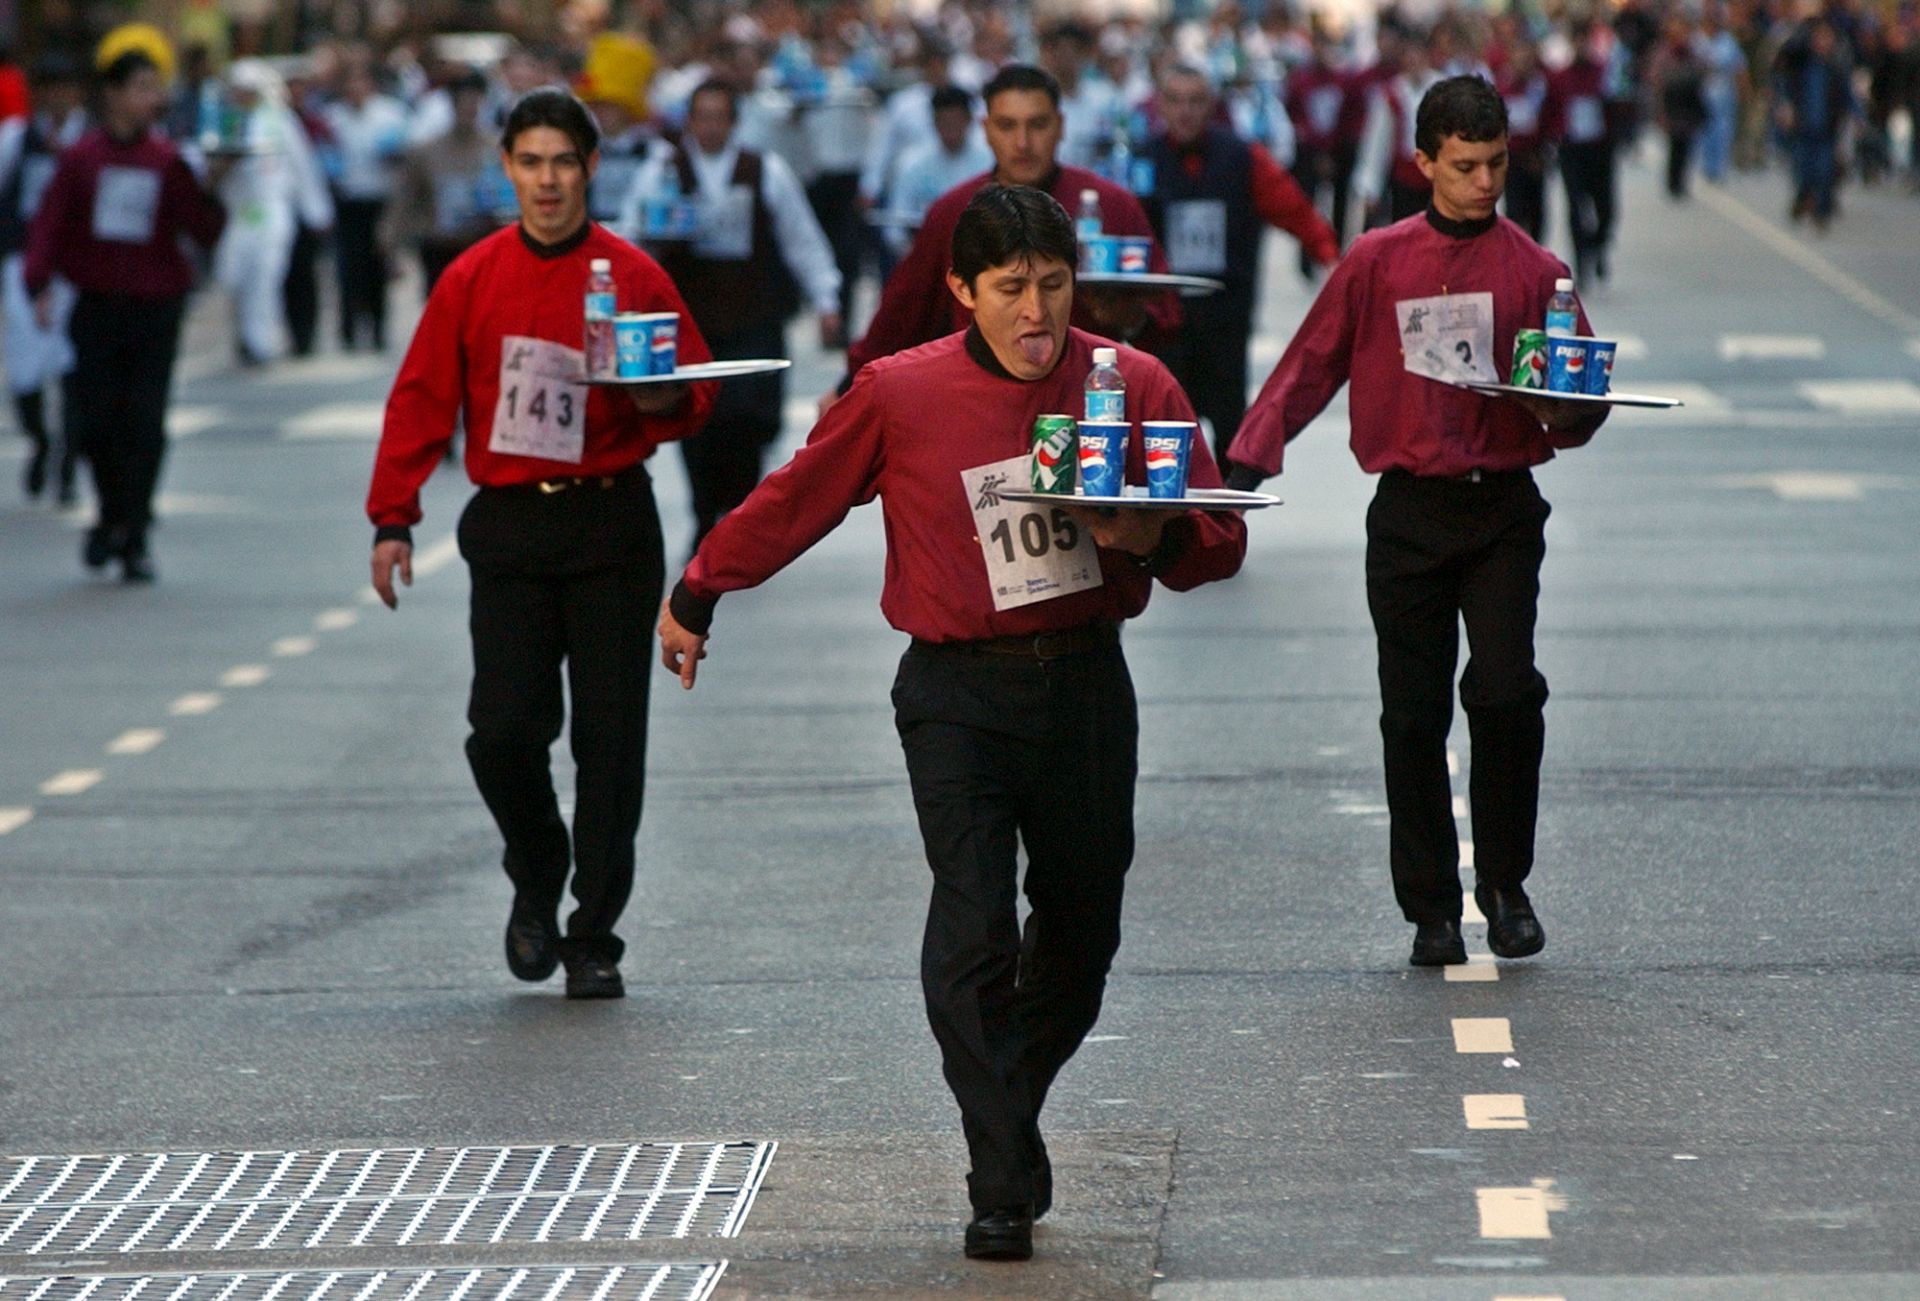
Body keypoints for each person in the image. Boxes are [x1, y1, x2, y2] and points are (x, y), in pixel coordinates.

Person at [658, 184, 1246, 1261]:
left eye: (1057, 287)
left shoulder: (1138, 385)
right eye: (1013, 289)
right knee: (971, 926)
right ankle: (999, 1167)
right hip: (954, 692)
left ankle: (1009, 1101)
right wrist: (701, 586)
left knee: (1082, 931)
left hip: (1082, 686)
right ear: (964, 291)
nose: (1039, 314)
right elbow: (801, 494)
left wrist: (1150, 535)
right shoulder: (901, 391)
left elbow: (1219, 541)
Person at [1227, 76, 1607, 968]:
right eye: (1465, 166)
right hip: (1408, 511)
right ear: (1424, 160)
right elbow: (1311, 362)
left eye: (1497, 165)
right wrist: (1249, 454)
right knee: (1412, 715)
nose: (1484, 183)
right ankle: (1431, 906)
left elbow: (1578, 395)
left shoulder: (1537, 270)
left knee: (1507, 692)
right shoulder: (1376, 261)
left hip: (1502, 507)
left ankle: (1506, 884)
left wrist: (1571, 412)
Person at [366, 88, 717, 1000]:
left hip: (610, 524)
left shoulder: (632, 274)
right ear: (509, 170)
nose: (550, 179)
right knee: (504, 732)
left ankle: (593, 931)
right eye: (532, 162)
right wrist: (393, 515)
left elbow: (695, 389)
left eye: (566, 161)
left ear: (592, 169)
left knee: (610, 742)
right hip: (513, 527)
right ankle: (538, 863)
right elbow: (421, 395)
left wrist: (659, 401)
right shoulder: (473, 276)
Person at [842, 65, 1177, 390]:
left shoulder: (1111, 205)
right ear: (985, 128)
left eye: (1038, 124)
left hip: (1088, 404)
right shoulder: (953, 212)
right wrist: (848, 386)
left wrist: (1131, 318)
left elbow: (1167, 316)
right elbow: (901, 317)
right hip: (978, 403)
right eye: (1007, 125)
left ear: (1061, 125)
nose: (1023, 142)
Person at [25, 47, 227, 582]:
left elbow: (202, 229)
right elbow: (50, 221)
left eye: (155, 88)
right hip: (96, 305)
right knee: (94, 421)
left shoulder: (167, 161)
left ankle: (133, 530)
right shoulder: (81, 159)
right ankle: (110, 514)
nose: (151, 99)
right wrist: (37, 281)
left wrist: (214, 187)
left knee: (144, 421)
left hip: (155, 306)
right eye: (141, 87)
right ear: (112, 94)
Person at [618, 78, 841, 548]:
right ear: (690, 121)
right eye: (702, 117)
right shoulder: (662, 170)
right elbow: (631, 236)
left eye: (720, 117)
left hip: (752, 315)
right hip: (690, 319)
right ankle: (704, 514)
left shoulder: (766, 170)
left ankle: (738, 512)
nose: (710, 126)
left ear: (734, 122)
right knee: (697, 422)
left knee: (751, 417)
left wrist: (826, 297)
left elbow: (801, 239)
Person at [1140, 64, 1338, 468]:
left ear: (1211, 106)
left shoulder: (1242, 156)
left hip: (1224, 318)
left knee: (1230, 428)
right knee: (1162, 432)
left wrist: (1330, 259)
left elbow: (1293, 209)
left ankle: (1224, 523)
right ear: (1160, 106)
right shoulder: (1141, 160)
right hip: (1161, 322)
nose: (1185, 112)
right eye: (1175, 101)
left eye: (1196, 101)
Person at [0, 51, 87, 503]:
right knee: (25, 370)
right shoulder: (17, 139)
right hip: (24, 262)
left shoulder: (88, 141)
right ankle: (40, 440)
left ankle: (69, 464)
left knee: (72, 369)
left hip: (73, 267)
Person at [211, 59, 334, 366]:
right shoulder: (227, 122)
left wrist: (317, 211)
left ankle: (259, 342)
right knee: (233, 275)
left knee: (266, 278)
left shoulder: (279, 121)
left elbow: (303, 168)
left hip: (271, 213)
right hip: (238, 214)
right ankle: (244, 333)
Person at [385, 68, 502, 292]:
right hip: (439, 248)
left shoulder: (496, 149)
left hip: (482, 247)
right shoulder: (427, 152)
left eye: (474, 103)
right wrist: (390, 246)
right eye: (463, 103)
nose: (469, 109)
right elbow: (404, 200)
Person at [324, 57, 408, 351]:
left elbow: (404, 158)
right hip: (348, 201)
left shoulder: (390, 114)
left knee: (377, 267)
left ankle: (378, 329)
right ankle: (348, 329)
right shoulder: (333, 118)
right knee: (349, 268)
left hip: (379, 200)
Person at [1284, 29, 1364, 271]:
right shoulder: (1301, 80)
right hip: (1309, 150)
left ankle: (1335, 252)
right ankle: (1306, 257)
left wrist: (1333, 146)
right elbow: (1294, 112)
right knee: (1307, 203)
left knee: (1340, 204)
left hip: (1337, 150)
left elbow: (1350, 113)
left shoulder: (1343, 80)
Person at [883, 84, 991, 262]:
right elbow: (896, 226)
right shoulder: (911, 163)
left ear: (969, 120)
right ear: (934, 122)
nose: (951, 131)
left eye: (956, 122)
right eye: (944, 123)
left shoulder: (988, 159)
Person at [1549, 21, 1617, 285]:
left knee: (1606, 208)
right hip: (1572, 150)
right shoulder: (1561, 77)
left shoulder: (1603, 73)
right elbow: (1550, 110)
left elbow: (1617, 104)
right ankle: (1582, 261)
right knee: (1576, 208)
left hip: (1600, 149)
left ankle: (1598, 245)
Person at [1775, 19, 1854, 228]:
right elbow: (1783, 74)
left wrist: (1857, 116)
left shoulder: (1837, 67)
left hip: (1827, 128)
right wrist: (1786, 108)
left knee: (1825, 170)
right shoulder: (1800, 65)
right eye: (1819, 37)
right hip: (1803, 127)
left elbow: (1848, 96)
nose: (1823, 42)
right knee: (1803, 170)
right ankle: (1803, 198)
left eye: (1828, 37)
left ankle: (1822, 211)